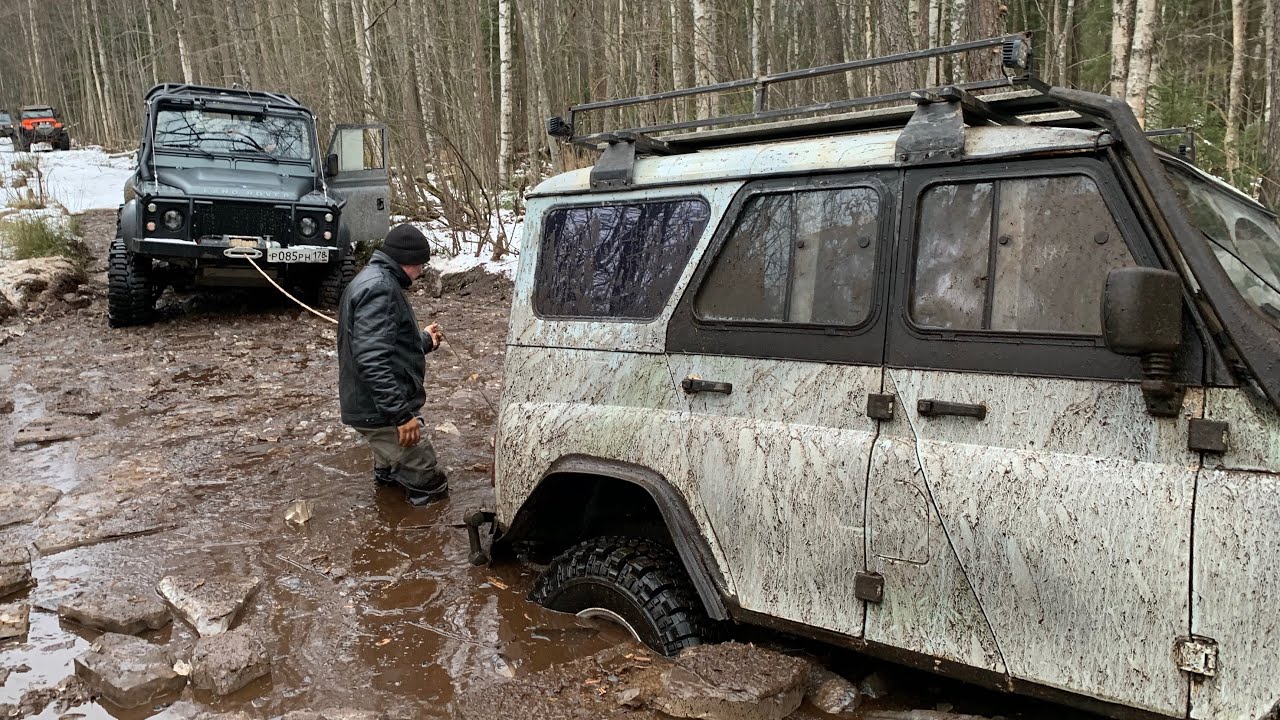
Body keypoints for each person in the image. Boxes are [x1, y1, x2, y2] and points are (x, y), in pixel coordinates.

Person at [338, 224, 448, 506]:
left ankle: (388, 519)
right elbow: (372, 360)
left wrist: (424, 340)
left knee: (390, 478)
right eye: (421, 264)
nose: (421, 271)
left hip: (371, 406)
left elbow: (385, 343)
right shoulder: (381, 289)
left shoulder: (370, 279)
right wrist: (401, 416)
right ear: (408, 261)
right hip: (381, 412)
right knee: (431, 485)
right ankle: (420, 530)